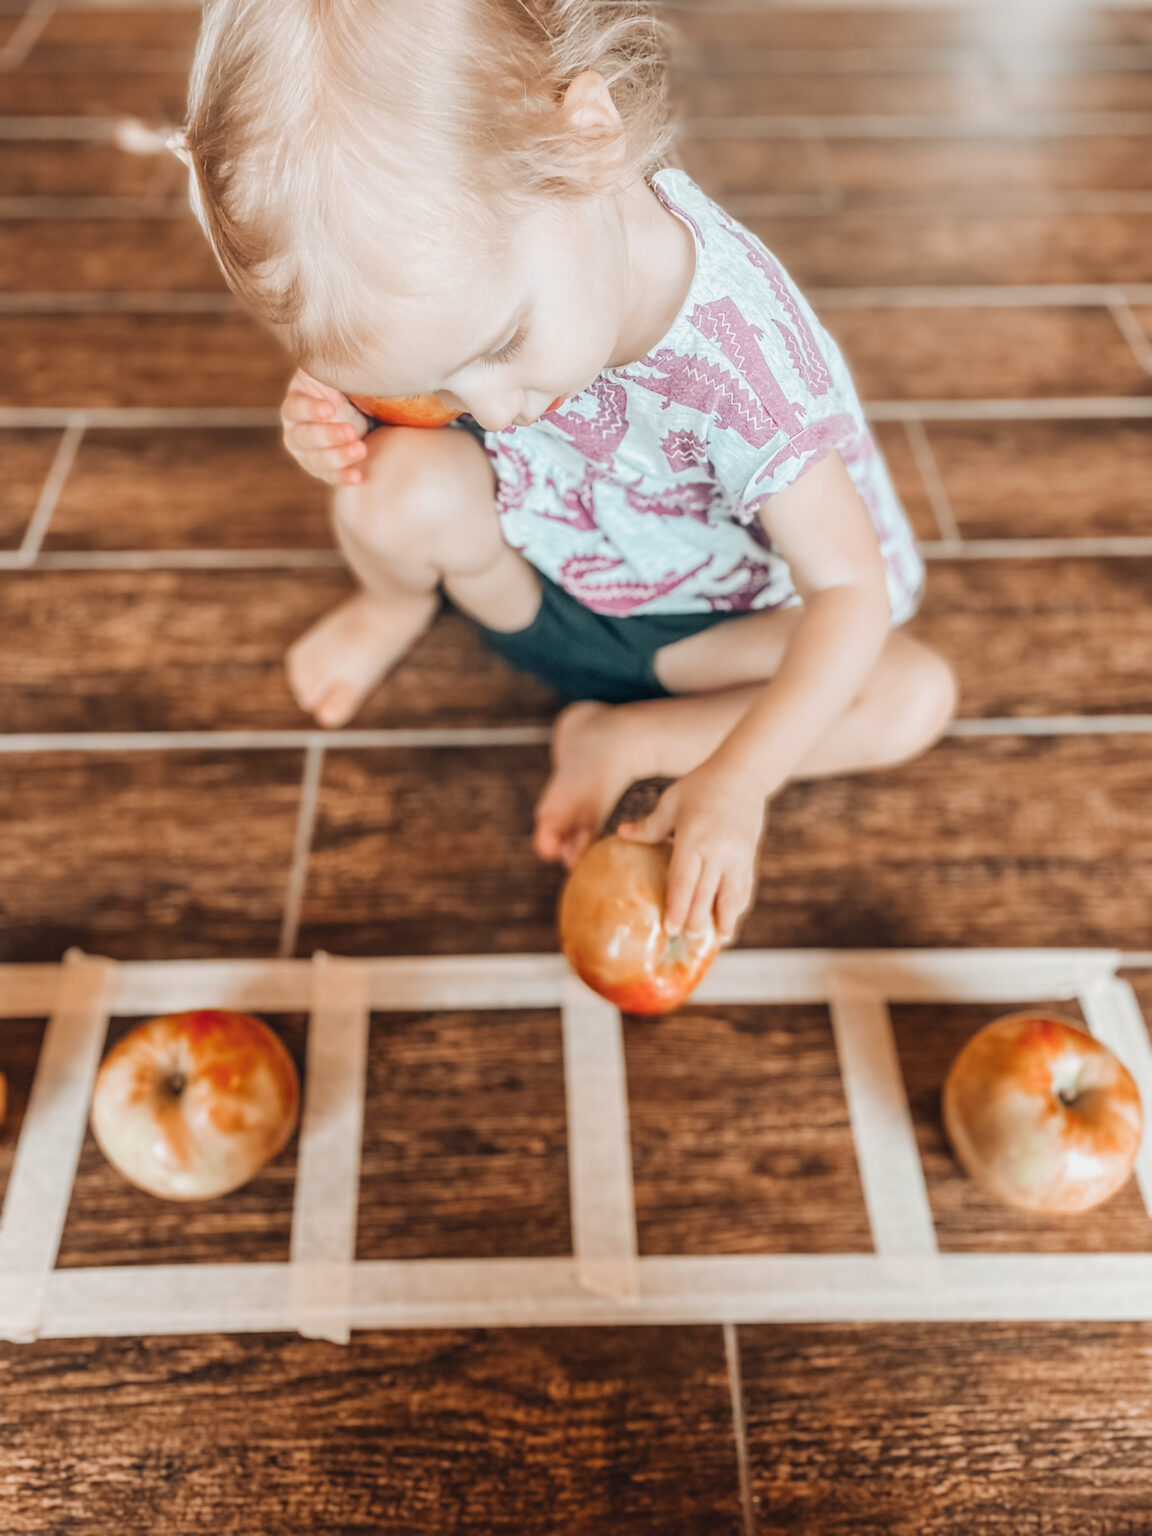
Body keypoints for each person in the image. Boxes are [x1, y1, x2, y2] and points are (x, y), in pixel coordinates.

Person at [179, 0, 957, 944]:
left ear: (587, 144)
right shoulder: (491, 279)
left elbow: (849, 589)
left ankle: (633, 735)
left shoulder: (741, 367)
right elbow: (401, 370)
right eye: (433, 380)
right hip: (529, 586)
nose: (489, 408)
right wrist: (332, 413)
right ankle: (394, 604)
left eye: (503, 342)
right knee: (392, 486)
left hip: (708, 639)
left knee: (912, 694)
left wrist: (740, 777)